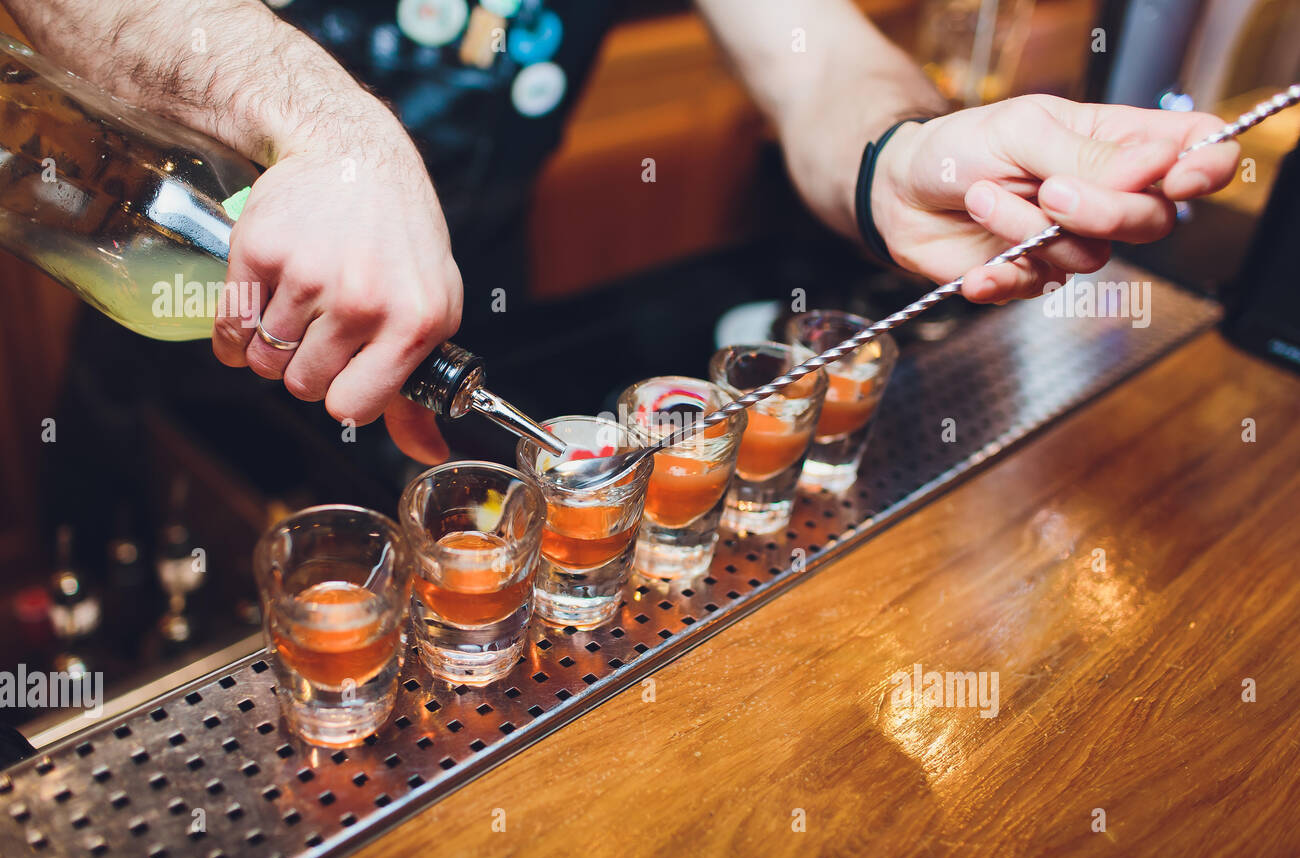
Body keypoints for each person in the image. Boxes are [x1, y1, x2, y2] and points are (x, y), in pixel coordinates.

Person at [1, 0, 1240, 466]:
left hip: (447, 339)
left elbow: (809, 60)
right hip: (167, 314)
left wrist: (897, 155)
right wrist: (334, 133)